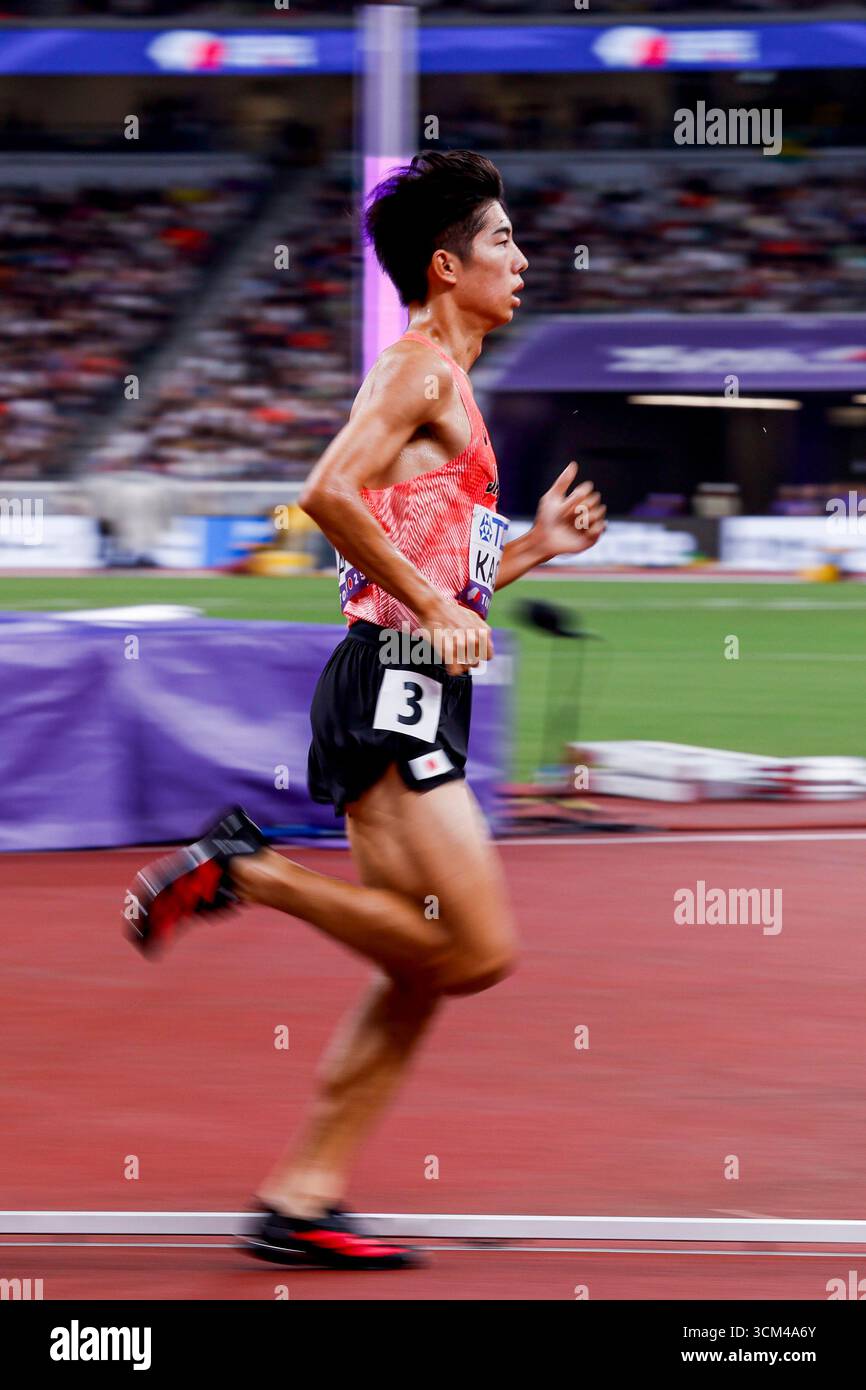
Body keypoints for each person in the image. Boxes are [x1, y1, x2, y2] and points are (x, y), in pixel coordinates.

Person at [125, 151, 606, 1270]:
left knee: (418, 972)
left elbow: (428, 562)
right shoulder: (420, 370)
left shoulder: (452, 381)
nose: (523, 259)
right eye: (499, 242)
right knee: (473, 952)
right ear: (445, 267)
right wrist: (438, 600)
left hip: (408, 680)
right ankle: (247, 870)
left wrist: (529, 547)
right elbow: (328, 492)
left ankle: (300, 1198)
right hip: (390, 682)